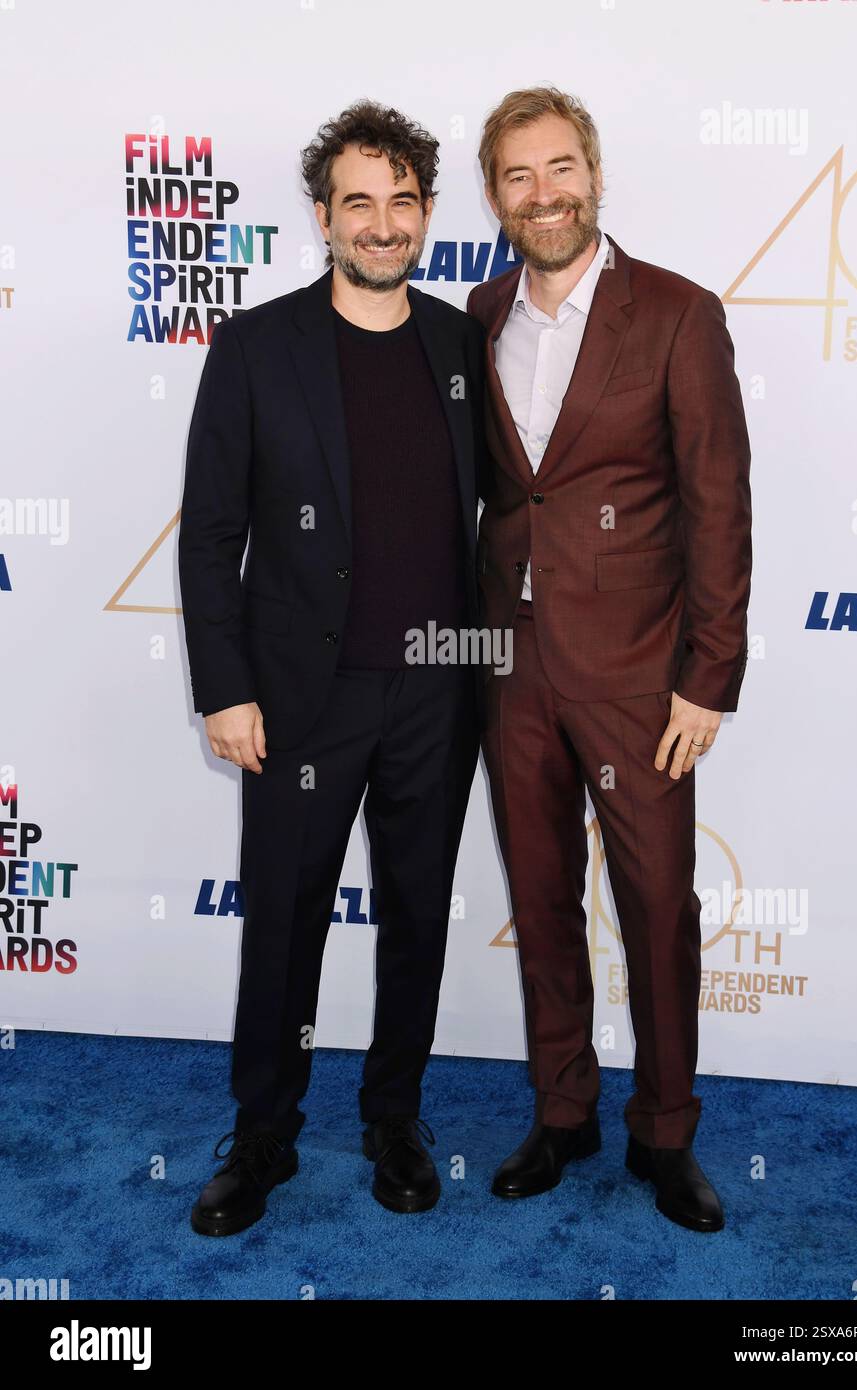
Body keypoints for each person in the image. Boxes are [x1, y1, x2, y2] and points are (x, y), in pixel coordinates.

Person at [178, 100, 486, 1235]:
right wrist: (223, 685)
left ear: (425, 214)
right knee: (286, 919)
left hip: (437, 693)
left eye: (402, 200)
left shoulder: (460, 341)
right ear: (323, 215)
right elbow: (210, 530)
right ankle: (263, 1133)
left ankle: (393, 1118)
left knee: (416, 916)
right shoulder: (257, 346)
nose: (382, 221)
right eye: (359, 200)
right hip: (299, 699)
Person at [467, 86, 753, 1232]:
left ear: (595, 174)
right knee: (539, 900)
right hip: (510, 666)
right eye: (519, 177)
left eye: (560, 169)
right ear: (495, 197)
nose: (545, 195)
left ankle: (666, 1132)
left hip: (641, 673)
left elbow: (717, 505)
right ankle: (563, 1110)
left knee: (653, 904)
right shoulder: (479, 314)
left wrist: (709, 672)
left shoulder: (678, 314)